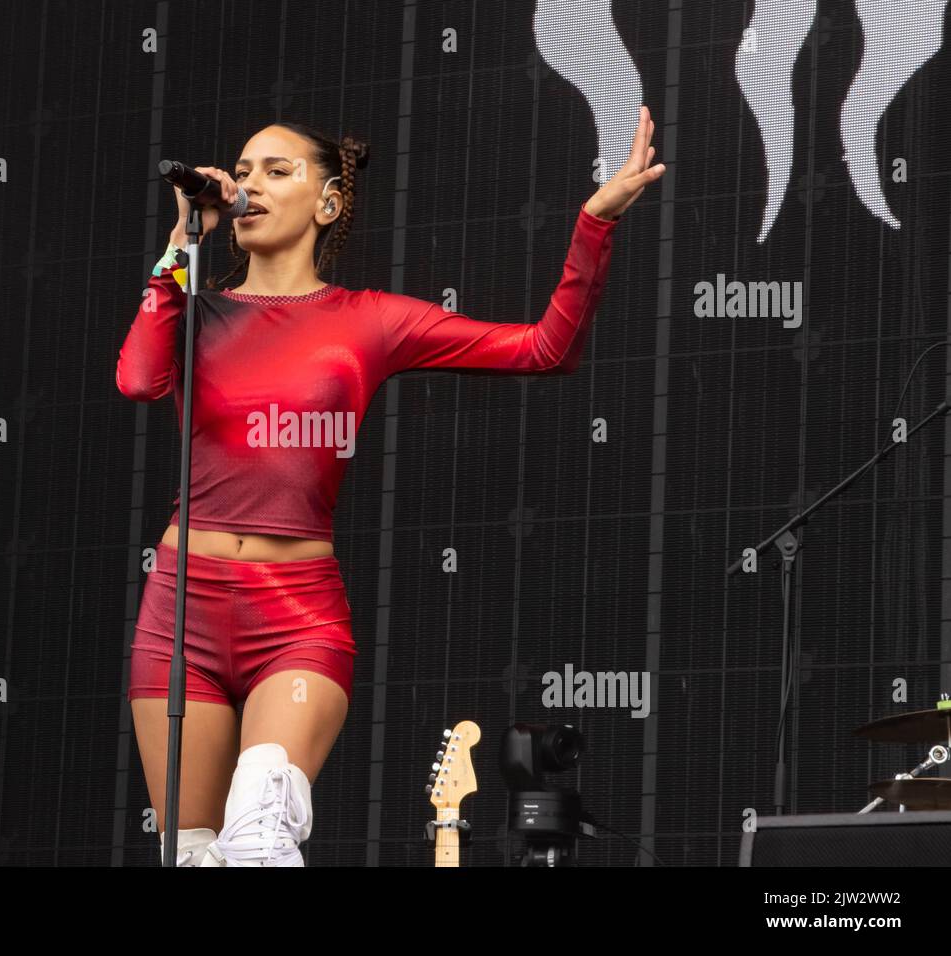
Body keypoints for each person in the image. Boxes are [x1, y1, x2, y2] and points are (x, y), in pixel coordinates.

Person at [116, 109, 665, 866]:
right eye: (242, 173)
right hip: (180, 610)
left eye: (278, 172)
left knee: (260, 832)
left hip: (294, 614)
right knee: (192, 855)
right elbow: (139, 378)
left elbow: (545, 349)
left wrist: (593, 226)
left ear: (330, 201)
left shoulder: (368, 320)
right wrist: (182, 246)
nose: (250, 186)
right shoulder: (193, 307)